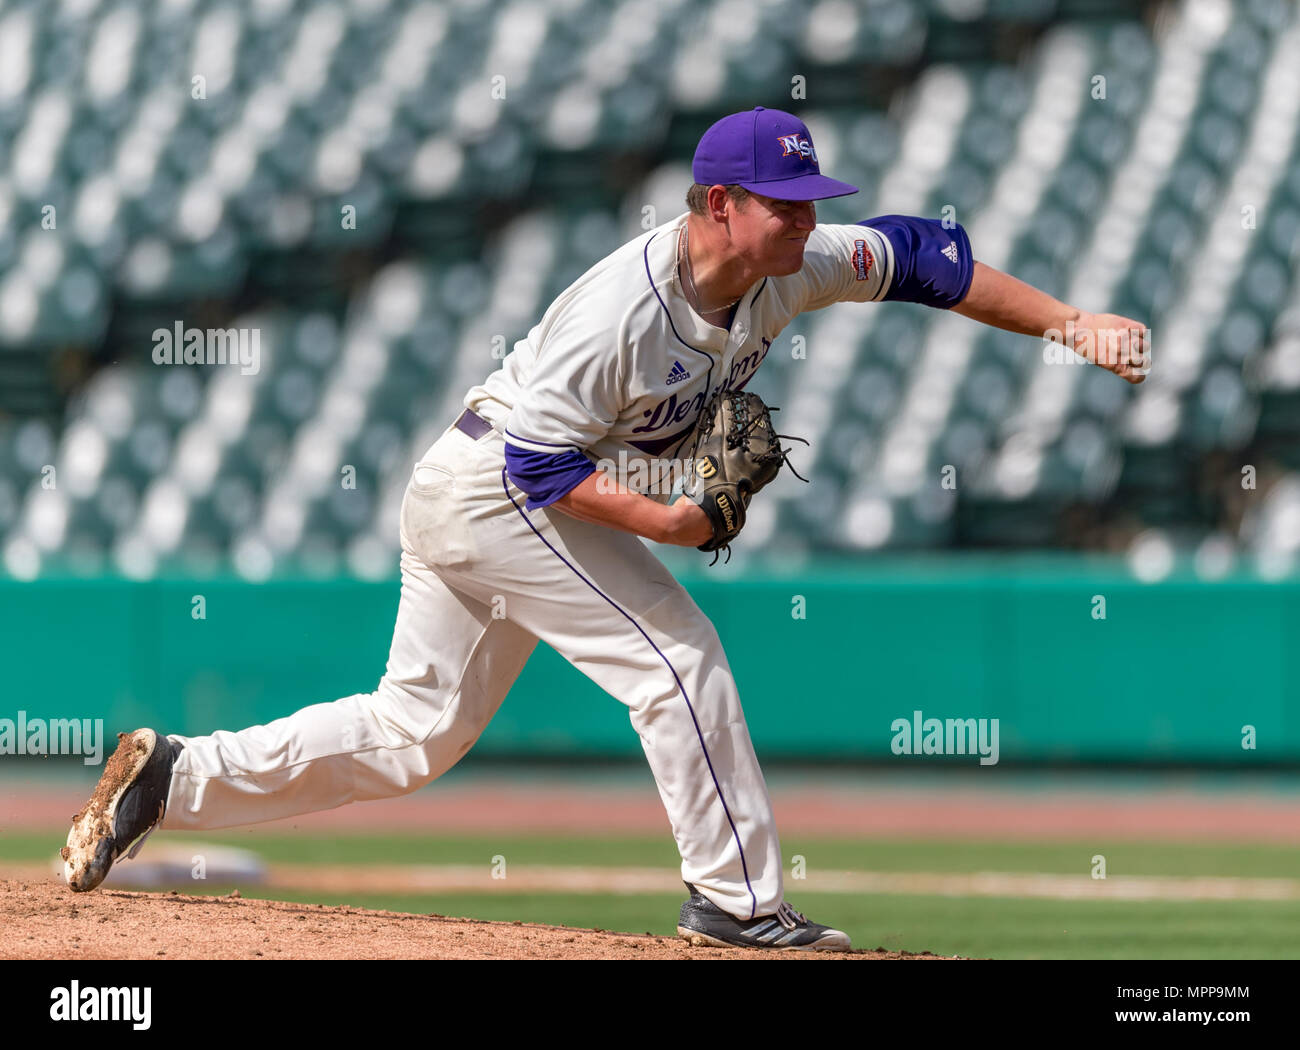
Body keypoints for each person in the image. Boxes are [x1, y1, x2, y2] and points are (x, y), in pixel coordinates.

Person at [63, 107, 1147, 951]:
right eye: (786, 203)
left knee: (413, 734)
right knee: (675, 659)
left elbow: (923, 256)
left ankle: (177, 778)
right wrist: (672, 519)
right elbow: (540, 470)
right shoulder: (621, 312)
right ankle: (737, 906)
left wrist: (1069, 323)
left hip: (475, 484)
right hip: (497, 487)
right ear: (719, 203)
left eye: (811, 199)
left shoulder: (791, 266)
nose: (808, 219)